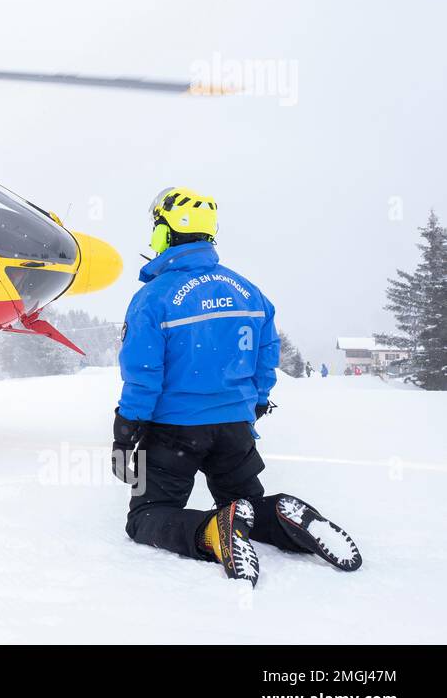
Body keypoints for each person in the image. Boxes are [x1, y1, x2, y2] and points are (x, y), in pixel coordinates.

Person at [112, 186, 361, 586]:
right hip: (235, 428)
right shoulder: (249, 291)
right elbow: (267, 355)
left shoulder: (153, 297)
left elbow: (143, 372)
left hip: (174, 430)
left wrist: (126, 432)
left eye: (155, 226)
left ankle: (212, 534)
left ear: (168, 232)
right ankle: (278, 515)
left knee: (146, 516)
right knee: (244, 503)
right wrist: (256, 403)